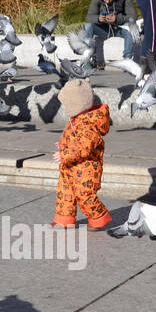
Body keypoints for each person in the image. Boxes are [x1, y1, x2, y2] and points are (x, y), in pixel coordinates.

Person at [51, 79, 112, 230]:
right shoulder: (77, 119)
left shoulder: (88, 124)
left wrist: (65, 154)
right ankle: (64, 219)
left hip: (86, 168)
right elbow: (75, 140)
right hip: (71, 166)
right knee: (65, 192)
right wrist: (63, 145)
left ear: (75, 104)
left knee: (84, 194)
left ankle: (99, 217)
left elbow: (84, 148)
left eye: (66, 104)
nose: (65, 108)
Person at [84, 0, 137, 69]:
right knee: (88, 25)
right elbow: (89, 17)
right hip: (104, 28)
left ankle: (127, 61)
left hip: (121, 28)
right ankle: (89, 59)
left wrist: (117, 19)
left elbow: (133, 16)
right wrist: (98, 18)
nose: (107, 1)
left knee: (131, 30)